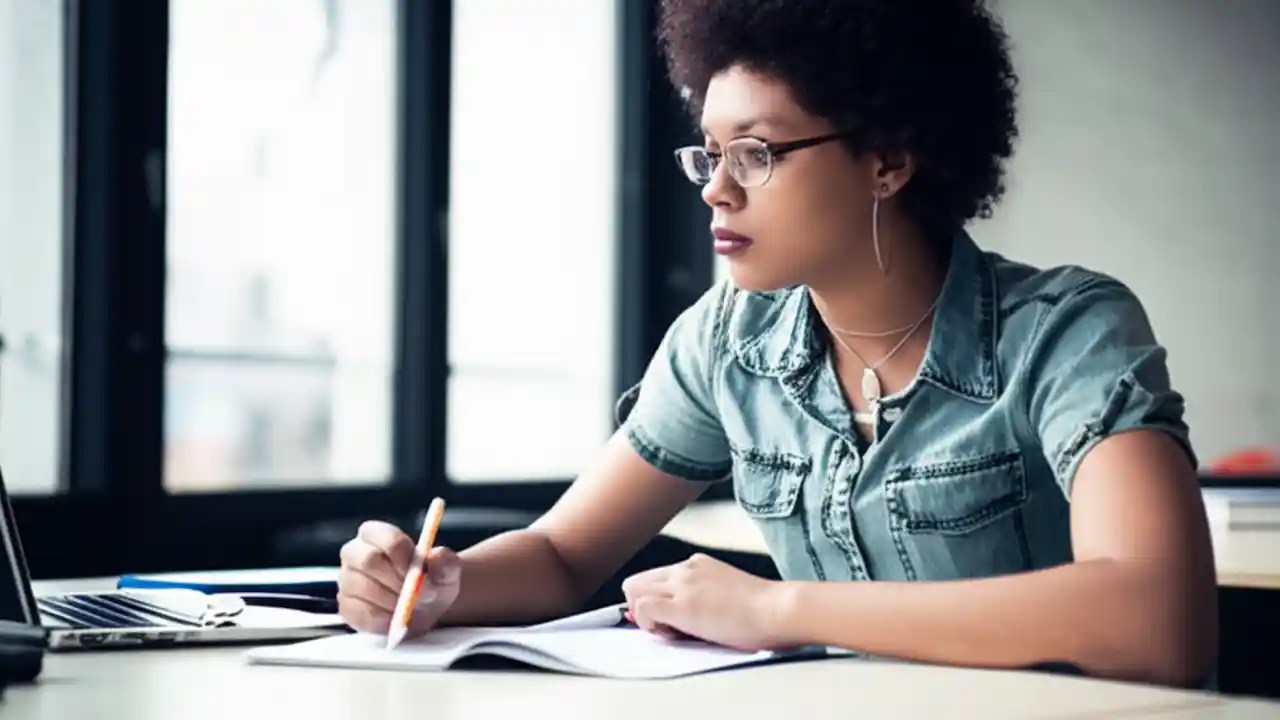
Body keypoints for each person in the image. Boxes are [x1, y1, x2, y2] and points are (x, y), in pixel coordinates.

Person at [337, 0, 1216, 687]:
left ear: (887, 161)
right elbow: (565, 557)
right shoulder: (729, 343)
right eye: (709, 153)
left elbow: (1157, 620)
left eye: (756, 153)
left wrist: (780, 609)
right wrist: (441, 584)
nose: (717, 190)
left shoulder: (1066, 331)